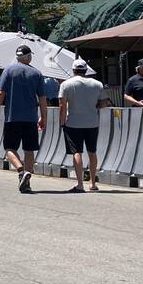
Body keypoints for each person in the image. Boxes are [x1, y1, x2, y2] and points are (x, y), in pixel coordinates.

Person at [0, 44, 48, 193]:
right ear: (28, 57)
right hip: (30, 118)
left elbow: (0, 93)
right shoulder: (37, 73)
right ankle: (27, 182)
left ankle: (21, 170)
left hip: (12, 117)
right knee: (29, 149)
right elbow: (42, 98)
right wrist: (43, 116)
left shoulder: (8, 70)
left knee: (9, 148)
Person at [58, 59, 105, 193]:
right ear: (86, 70)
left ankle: (80, 184)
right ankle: (93, 183)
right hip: (92, 122)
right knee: (92, 152)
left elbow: (62, 105)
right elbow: (103, 103)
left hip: (73, 122)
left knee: (76, 152)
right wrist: (94, 106)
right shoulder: (97, 84)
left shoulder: (66, 84)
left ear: (73, 70)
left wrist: (62, 122)